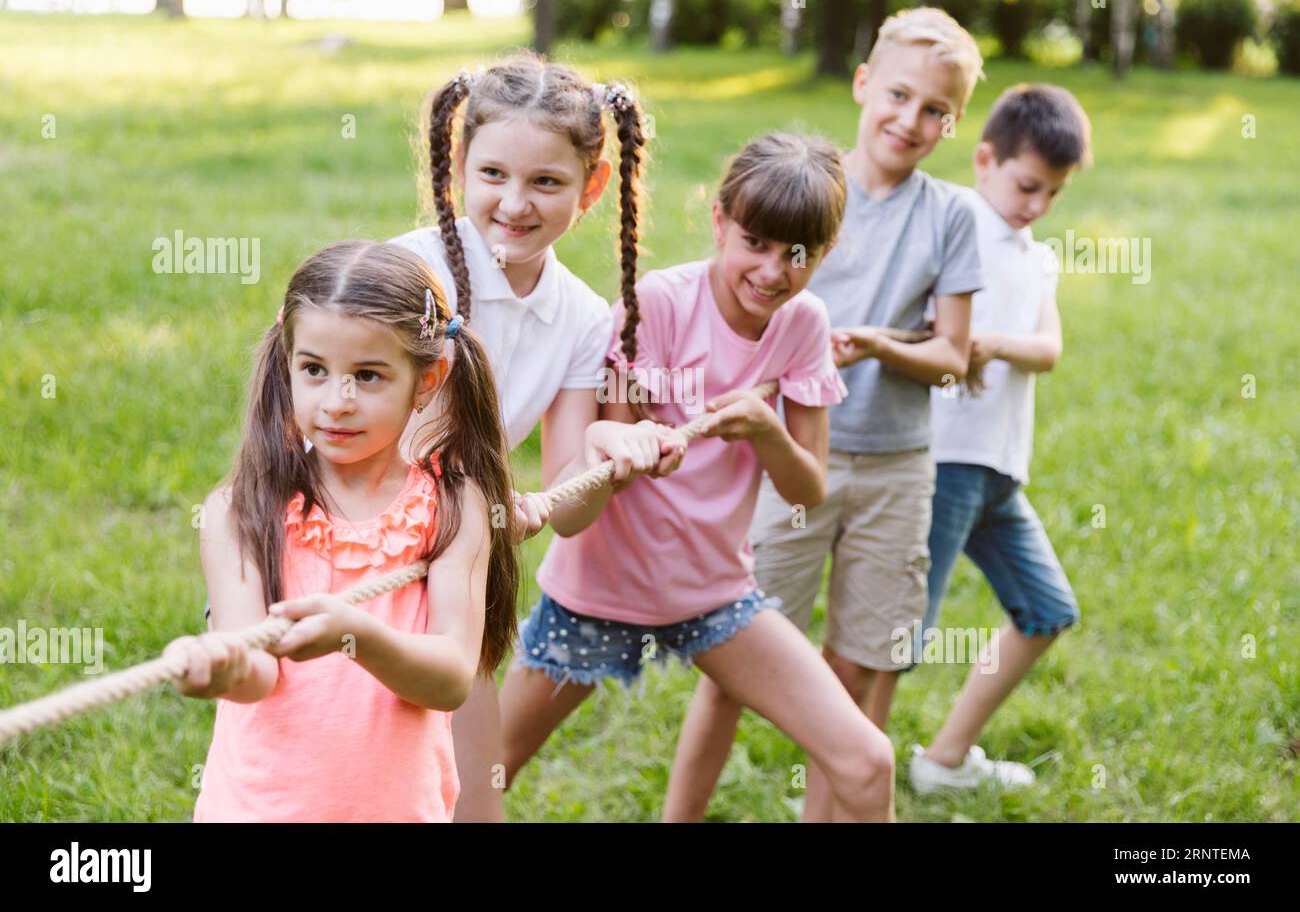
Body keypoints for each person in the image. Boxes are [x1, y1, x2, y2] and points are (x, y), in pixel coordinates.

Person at [500, 134, 897, 822]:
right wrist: (631, 444)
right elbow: (602, 475)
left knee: (868, 760)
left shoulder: (803, 325)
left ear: (824, 253)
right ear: (720, 222)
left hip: (714, 595)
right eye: (757, 243)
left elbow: (808, 490)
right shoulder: (656, 303)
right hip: (598, 592)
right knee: (478, 772)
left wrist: (765, 429)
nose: (773, 271)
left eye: (797, 253)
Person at [665, 7, 986, 822]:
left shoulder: (949, 216)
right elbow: (736, 303)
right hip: (790, 461)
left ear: (953, 123)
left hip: (894, 467)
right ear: (863, 83)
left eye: (935, 110)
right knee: (736, 666)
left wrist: (877, 345)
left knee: (856, 670)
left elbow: (953, 355)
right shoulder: (802, 189)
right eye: (899, 95)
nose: (910, 120)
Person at [388, 55, 681, 821]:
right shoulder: (406, 273)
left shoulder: (584, 320)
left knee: (472, 797)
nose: (515, 204)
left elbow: (570, 507)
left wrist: (613, 455)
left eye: (546, 182)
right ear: (458, 168)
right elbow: (358, 438)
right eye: (493, 174)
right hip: (358, 559)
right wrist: (487, 498)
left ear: (592, 187)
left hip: (460, 577)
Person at [167, 241, 516, 821]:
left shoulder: (453, 506)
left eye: (369, 376)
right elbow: (255, 671)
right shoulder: (243, 510)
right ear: (288, 363)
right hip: (258, 810)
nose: (337, 402)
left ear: (427, 380)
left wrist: (357, 636)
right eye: (314, 370)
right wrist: (221, 666)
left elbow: (453, 676)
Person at [909, 83, 1091, 793]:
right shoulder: (955, 230)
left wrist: (988, 343)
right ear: (985, 159)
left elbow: (1048, 349)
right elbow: (923, 329)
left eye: (1053, 194)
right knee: (898, 639)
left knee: (1047, 611)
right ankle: (840, 775)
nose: (1037, 206)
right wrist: (962, 343)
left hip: (999, 472)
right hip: (946, 462)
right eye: (1027, 185)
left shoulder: (1034, 254)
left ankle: (944, 760)